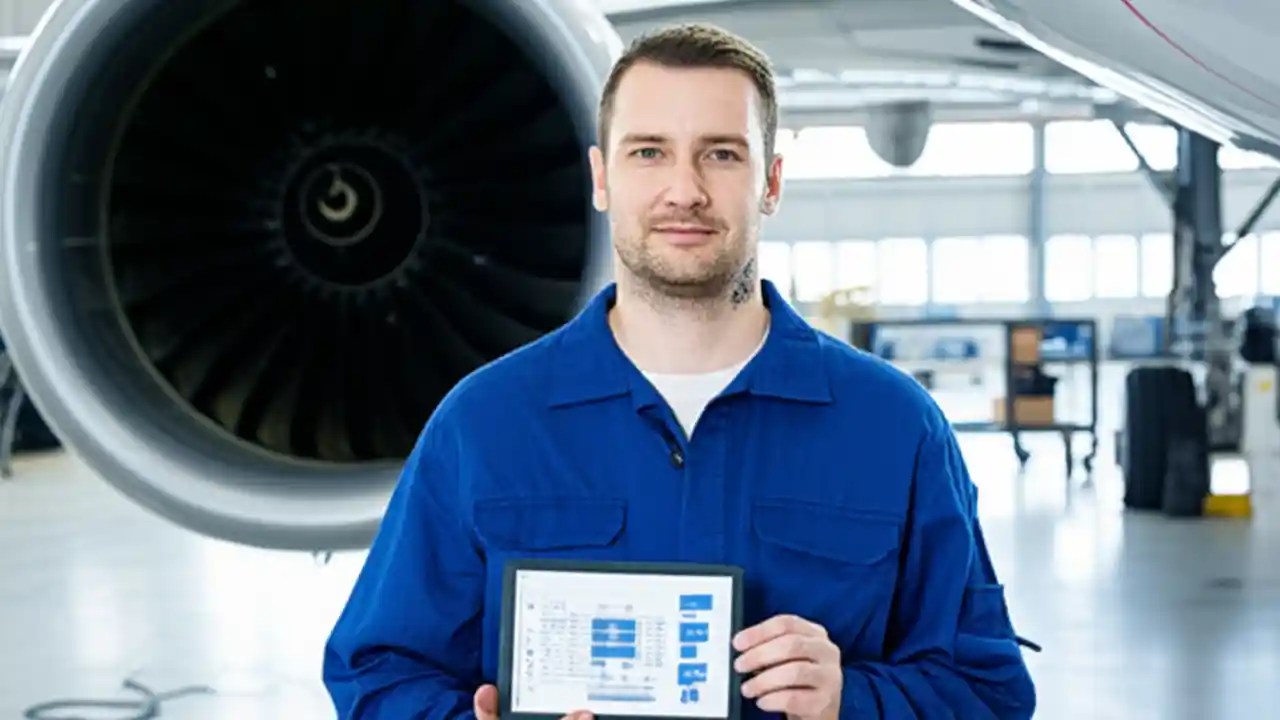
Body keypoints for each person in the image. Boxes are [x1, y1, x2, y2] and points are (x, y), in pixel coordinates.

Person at [323, 22, 1036, 720]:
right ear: (602, 177)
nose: (685, 190)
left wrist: (850, 700)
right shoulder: (482, 425)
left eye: (722, 154)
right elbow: (378, 674)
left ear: (772, 182)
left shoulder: (894, 427)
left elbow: (989, 692)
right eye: (649, 153)